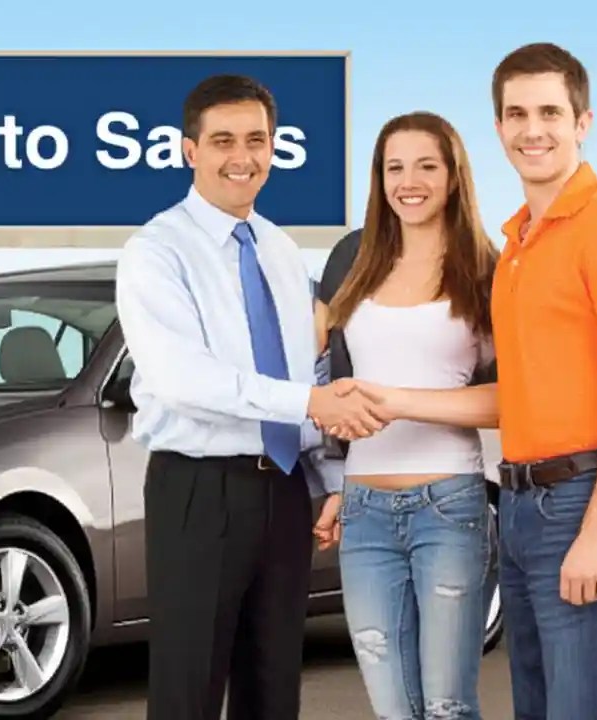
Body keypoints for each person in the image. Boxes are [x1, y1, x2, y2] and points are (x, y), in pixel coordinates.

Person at [114, 73, 385, 720]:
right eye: (224, 141)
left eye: (257, 140)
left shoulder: (280, 250)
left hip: (283, 493)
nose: (243, 157)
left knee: (273, 689)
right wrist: (311, 406)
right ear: (190, 150)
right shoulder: (157, 252)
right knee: (189, 690)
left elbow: (303, 370)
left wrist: (328, 476)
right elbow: (183, 379)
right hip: (199, 491)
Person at [484, 43, 597, 719]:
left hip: (584, 498)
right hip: (520, 504)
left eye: (550, 113)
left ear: (583, 122)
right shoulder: (517, 244)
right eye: (517, 114)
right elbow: (523, 391)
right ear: (498, 127)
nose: (533, 130)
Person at [309, 111, 501, 720]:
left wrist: (397, 402)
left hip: (449, 506)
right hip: (364, 510)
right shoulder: (351, 256)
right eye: (395, 167)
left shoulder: (486, 268)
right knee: (394, 710)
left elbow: (509, 401)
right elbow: (313, 375)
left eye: (426, 166)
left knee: (447, 705)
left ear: (453, 176)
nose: (408, 182)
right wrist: (333, 478)